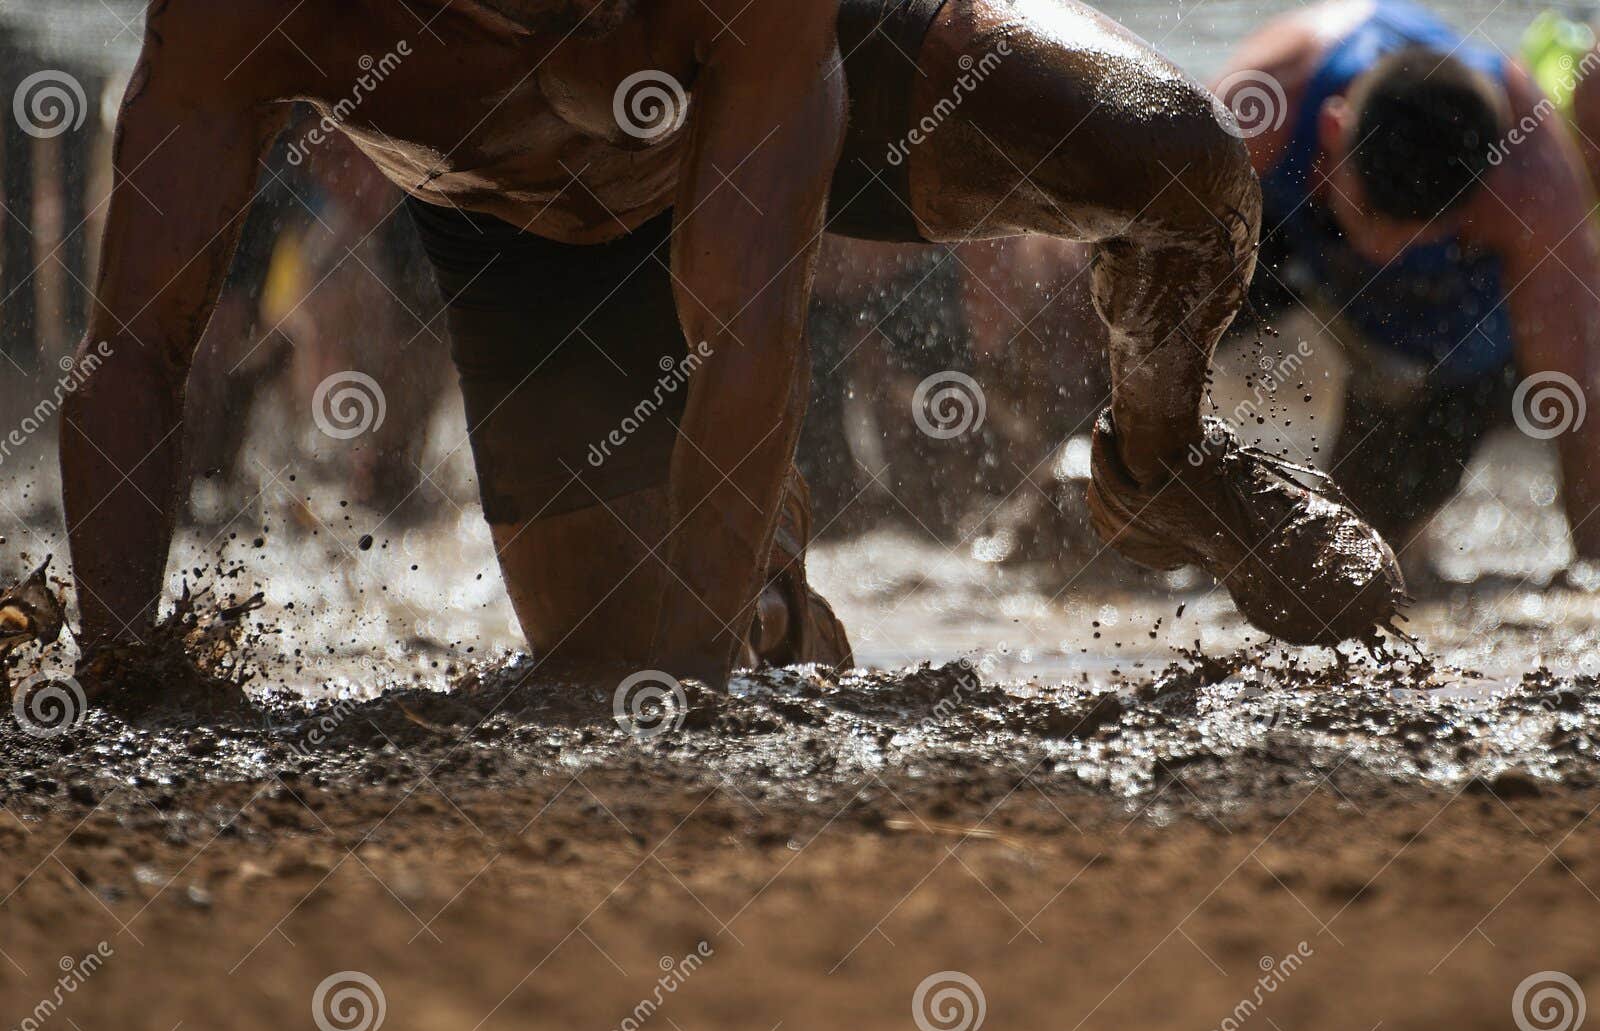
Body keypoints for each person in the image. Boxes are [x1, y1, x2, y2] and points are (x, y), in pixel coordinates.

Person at [58, 0, 1400, 697]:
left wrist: (690, 688)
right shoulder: (245, 17)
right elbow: (134, 345)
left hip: (801, 89)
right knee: (615, 673)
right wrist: (120, 660)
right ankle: (777, 594)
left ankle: (1162, 460)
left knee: (1177, 163)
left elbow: (745, 328)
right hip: (533, 240)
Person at [1208, 0, 1600, 562]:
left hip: (1436, 314)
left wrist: (1589, 574)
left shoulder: (1526, 181)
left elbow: (1580, 390)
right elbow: (1107, 243)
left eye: (1415, 233)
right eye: (1373, 219)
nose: (1385, 251)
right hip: (1284, 232)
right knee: (1127, 322)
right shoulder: (1267, 103)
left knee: (1358, 550)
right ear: (1333, 128)